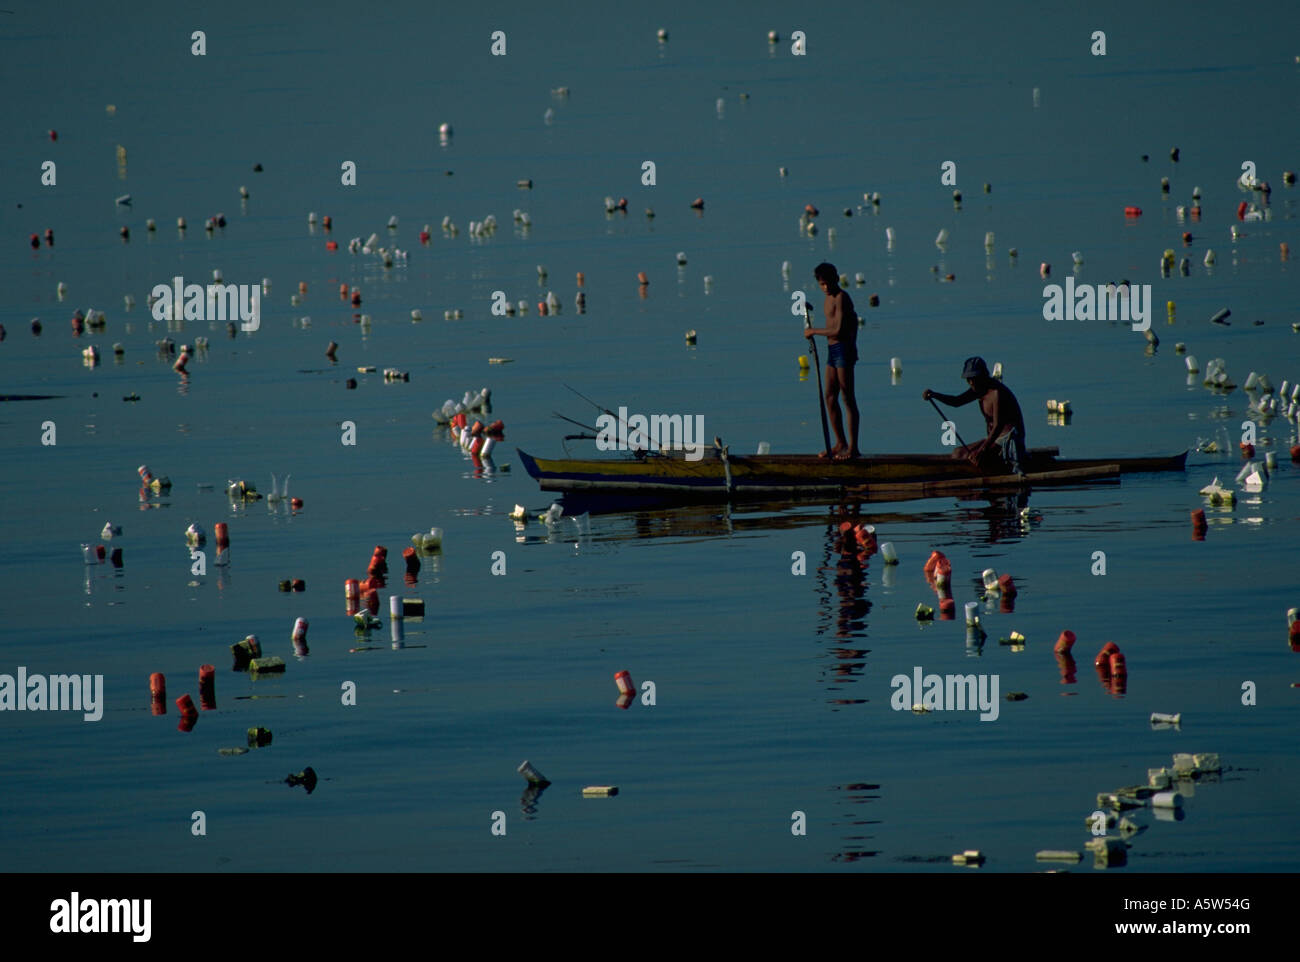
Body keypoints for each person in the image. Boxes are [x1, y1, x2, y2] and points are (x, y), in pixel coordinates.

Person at [923, 357, 1027, 474]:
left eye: (974, 378)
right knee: (958, 453)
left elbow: (998, 426)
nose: (971, 382)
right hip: (993, 439)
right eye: (969, 379)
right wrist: (935, 395)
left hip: (1007, 439)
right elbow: (956, 401)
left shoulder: (996, 393)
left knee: (972, 457)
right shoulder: (978, 389)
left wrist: (982, 450)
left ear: (983, 376)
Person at [804, 262, 860, 459]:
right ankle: (840, 443)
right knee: (829, 396)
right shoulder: (827, 300)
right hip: (832, 349)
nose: (825, 288)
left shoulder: (842, 298)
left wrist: (813, 331)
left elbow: (838, 330)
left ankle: (853, 449)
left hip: (844, 349)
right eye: (822, 285)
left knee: (847, 398)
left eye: (828, 283)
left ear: (836, 279)